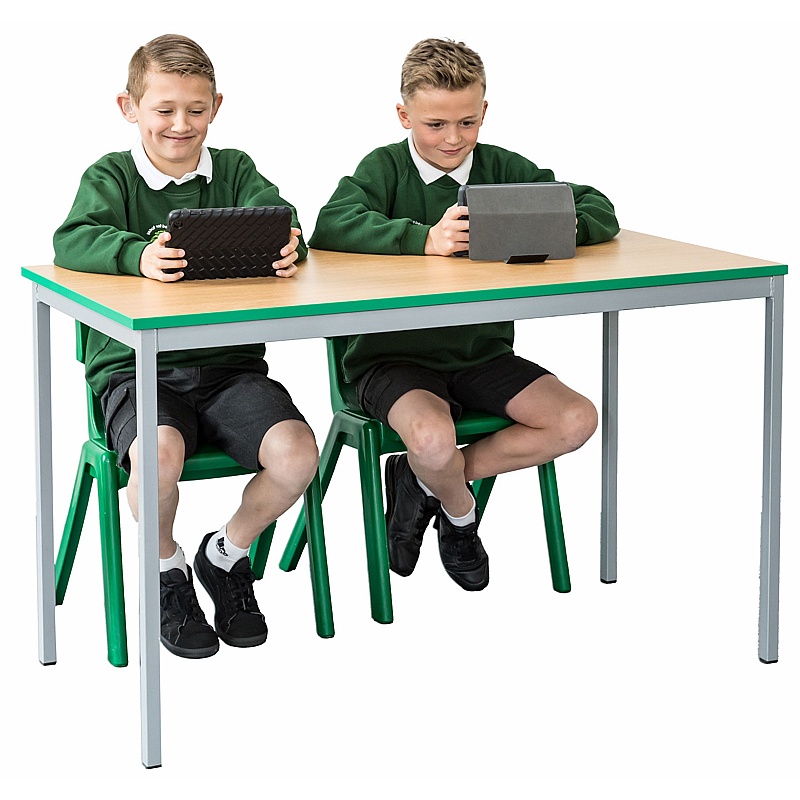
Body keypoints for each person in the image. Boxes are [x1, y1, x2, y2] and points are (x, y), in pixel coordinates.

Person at [309, 37, 619, 592]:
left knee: (577, 420)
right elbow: (331, 224)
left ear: (484, 113)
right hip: (392, 357)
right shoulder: (383, 170)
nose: (452, 139)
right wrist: (422, 239)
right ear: (404, 115)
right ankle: (459, 516)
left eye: (467, 122)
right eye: (434, 124)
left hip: (481, 352)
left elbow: (597, 206)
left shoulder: (502, 168)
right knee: (431, 439)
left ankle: (423, 480)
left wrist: (561, 226)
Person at [53, 34, 319, 659]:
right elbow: (72, 240)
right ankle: (168, 568)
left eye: (195, 110)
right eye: (164, 109)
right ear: (130, 107)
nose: (181, 124)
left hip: (229, 367)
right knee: (159, 454)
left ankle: (224, 555)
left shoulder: (234, 171)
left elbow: (279, 216)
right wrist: (133, 255)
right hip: (138, 370)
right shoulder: (110, 177)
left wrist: (290, 245)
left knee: (296, 455)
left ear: (216, 108)